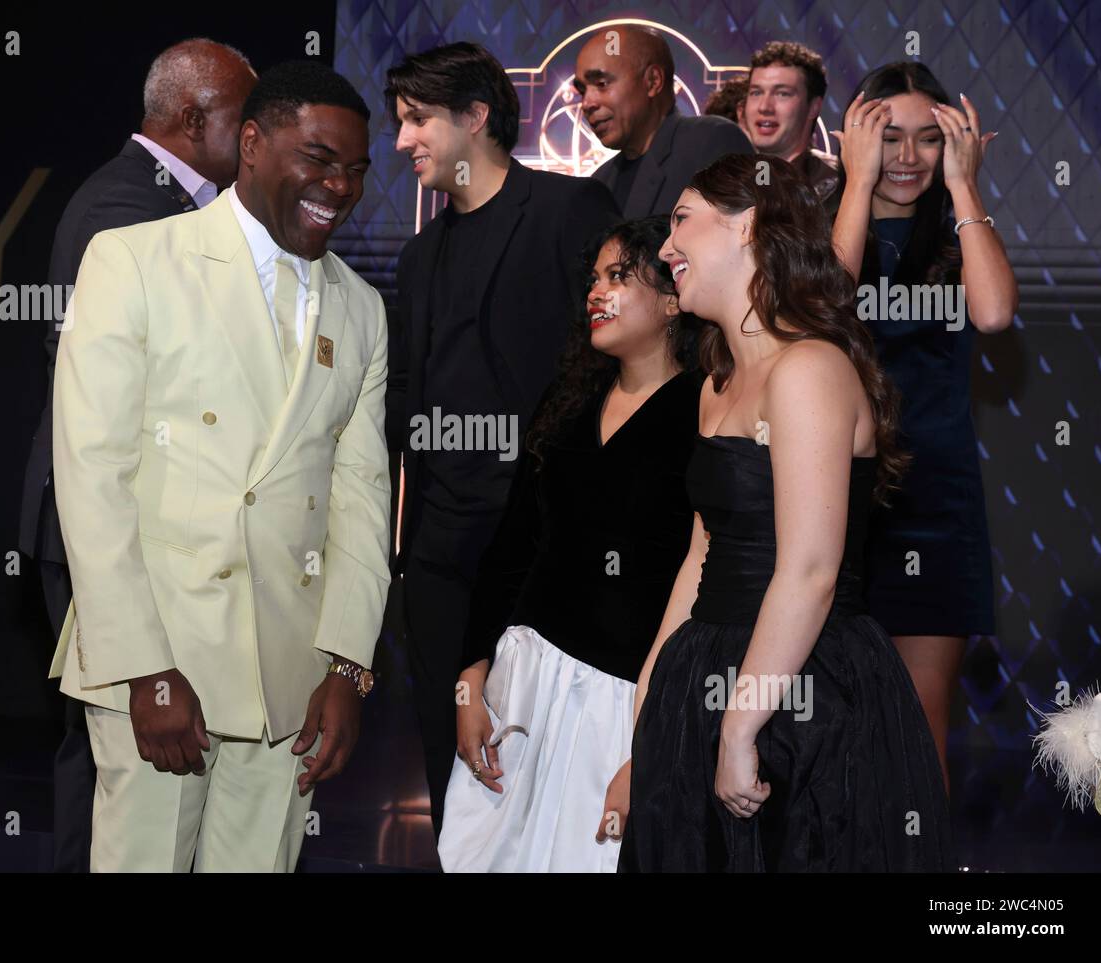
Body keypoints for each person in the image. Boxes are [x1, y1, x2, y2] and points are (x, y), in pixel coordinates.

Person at [48, 60, 391, 872]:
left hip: (292, 682)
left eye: (354, 169)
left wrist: (348, 667)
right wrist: (143, 666)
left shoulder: (363, 307)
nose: (338, 186)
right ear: (251, 143)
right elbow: (92, 474)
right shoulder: (133, 259)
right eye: (317, 158)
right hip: (162, 666)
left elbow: (364, 500)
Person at [620, 154, 953, 872]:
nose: (667, 246)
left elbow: (810, 570)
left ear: (747, 225)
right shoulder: (716, 384)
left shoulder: (810, 369)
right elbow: (699, 557)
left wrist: (741, 725)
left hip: (807, 693)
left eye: (683, 220)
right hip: (704, 673)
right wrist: (649, 700)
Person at [16, 37, 256, 873]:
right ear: (196, 119)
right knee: (110, 758)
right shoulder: (126, 209)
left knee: (111, 757)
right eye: (245, 121)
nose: (256, 140)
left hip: (130, 522)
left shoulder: (162, 200)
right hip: (99, 525)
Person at [384, 42, 620, 840]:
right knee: (451, 779)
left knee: (544, 785)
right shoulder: (418, 259)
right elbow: (405, 407)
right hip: (440, 563)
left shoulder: (569, 214)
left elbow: (618, 364)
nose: (402, 141)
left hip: (544, 556)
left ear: (476, 116)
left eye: (417, 120)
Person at [439, 217, 704, 872]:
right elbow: (511, 546)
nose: (596, 292)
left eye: (618, 276)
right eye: (593, 279)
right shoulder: (568, 401)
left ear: (674, 299)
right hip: (522, 686)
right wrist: (471, 676)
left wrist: (656, 739)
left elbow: (707, 581)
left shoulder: (706, 410)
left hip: (624, 701)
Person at [830, 61, 1017, 788]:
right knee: (826, 731)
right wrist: (852, 184)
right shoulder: (821, 218)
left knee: (914, 730)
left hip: (934, 504)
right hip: (831, 501)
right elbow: (827, 309)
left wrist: (966, 187)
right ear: (854, 139)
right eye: (889, 137)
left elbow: (996, 313)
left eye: (928, 140)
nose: (907, 158)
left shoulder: (958, 230)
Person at [574, 24, 751, 219]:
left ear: (653, 81)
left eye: (602, 84)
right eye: (582, 91)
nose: (587, 103)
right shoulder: (601, 181)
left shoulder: (712, 143)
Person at [741, 41, 840, 213]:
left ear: (813, 107)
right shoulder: (729, 177)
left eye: (782, 94)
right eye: (756, 92)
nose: (764, 107)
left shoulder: (835, 183)